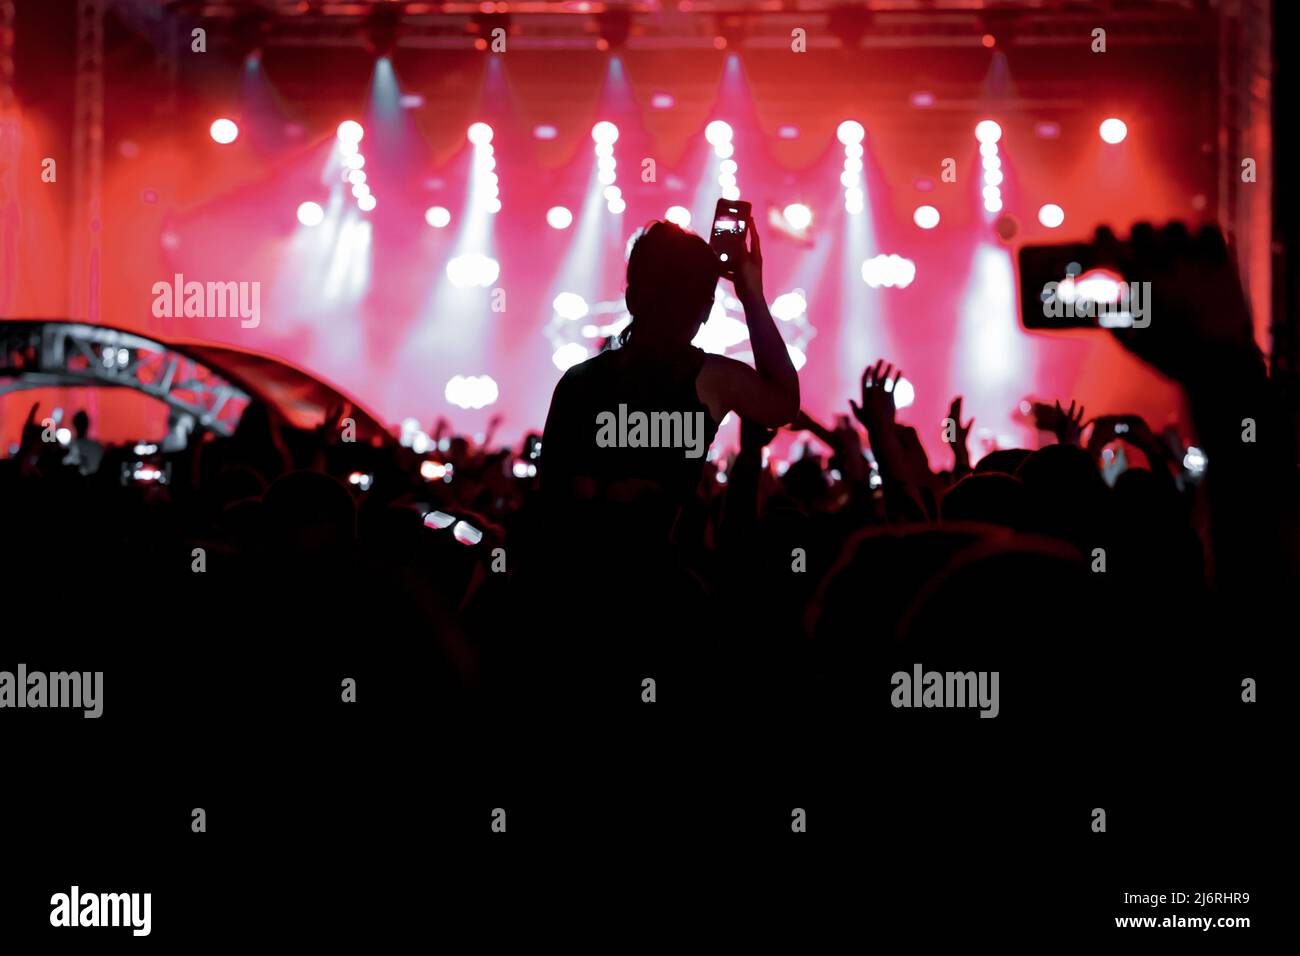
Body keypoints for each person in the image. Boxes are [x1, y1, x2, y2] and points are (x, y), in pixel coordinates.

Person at [539, 215, 800, 540]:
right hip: (662, 579)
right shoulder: (713, 380)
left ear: (632, 298)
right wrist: (752, 296)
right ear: (705, 311)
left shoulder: (577, 383)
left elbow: (547, 502)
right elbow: (784, 404)